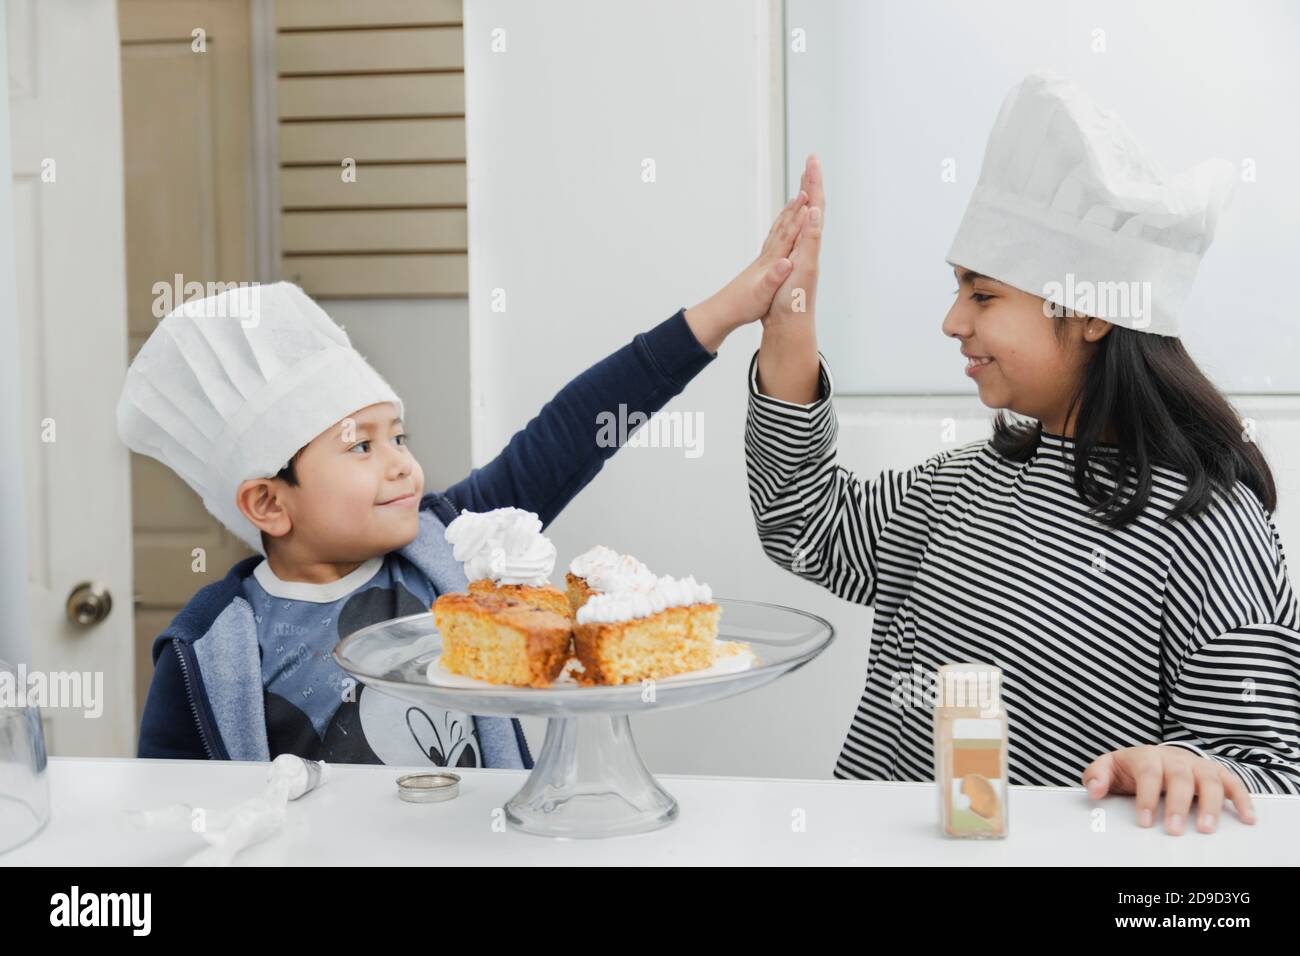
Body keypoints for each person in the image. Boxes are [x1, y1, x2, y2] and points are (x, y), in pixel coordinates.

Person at [746, 73, 1300, 835]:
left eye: (982, 295)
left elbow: (1271, 771)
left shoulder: (1211, 530)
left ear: (1089, 312)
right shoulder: (961, 487)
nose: (950, 321)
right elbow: (799, 522)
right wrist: (788, 325)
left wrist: (1195, 768)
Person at [121, 164, 821, 766]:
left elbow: (576, 428)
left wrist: (729, 310)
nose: (401, 465)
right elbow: (174, 811)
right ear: (269, 503)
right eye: (360, 445)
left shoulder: (452, 543)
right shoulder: (206, 654)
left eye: (399, 436)